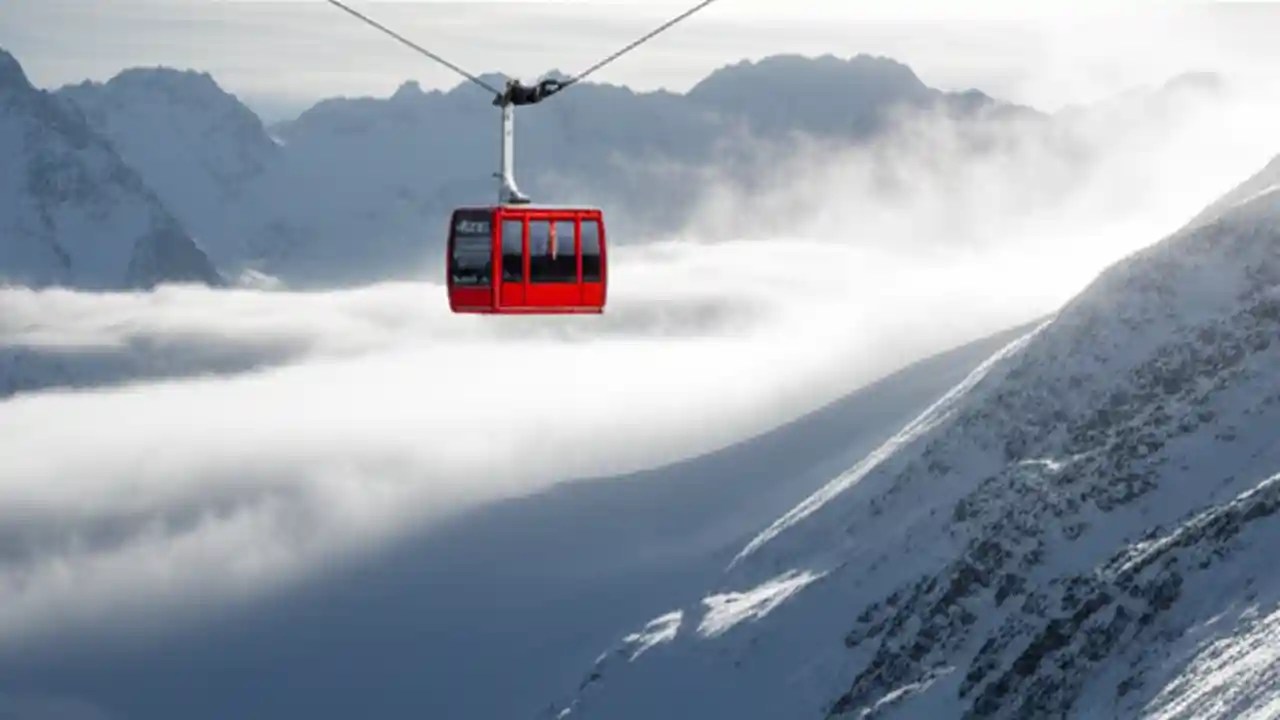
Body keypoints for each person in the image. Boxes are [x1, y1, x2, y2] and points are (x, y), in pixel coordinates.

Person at [494, 78, 567, 106]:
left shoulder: (512, 99)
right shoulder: (512, 92)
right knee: (544, 84)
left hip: (533, 97)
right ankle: (559, 85)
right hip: (533, 94)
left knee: (544, 93)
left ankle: (558, 87)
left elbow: (517, 87)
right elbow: (515, 87)